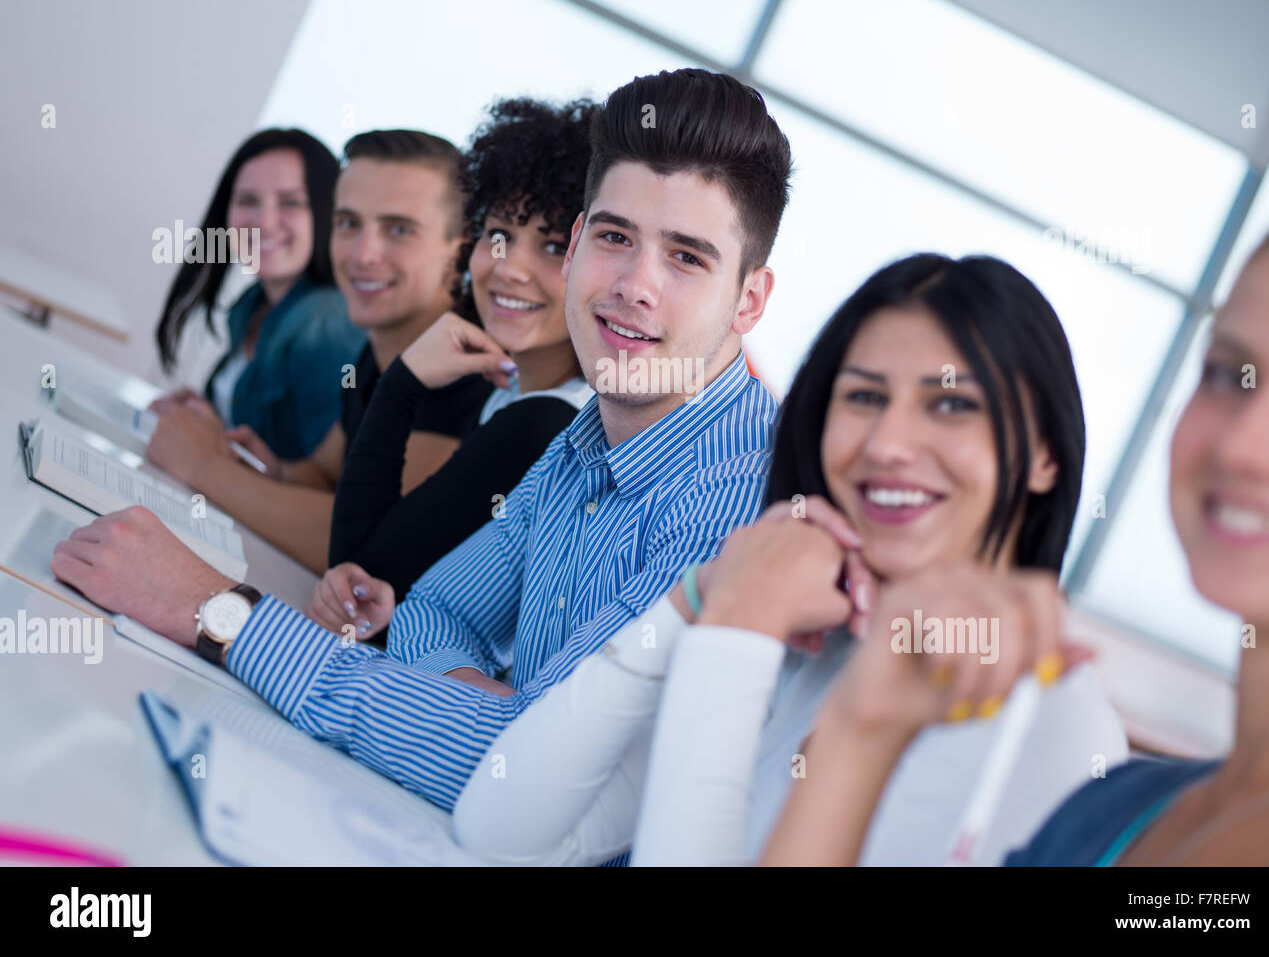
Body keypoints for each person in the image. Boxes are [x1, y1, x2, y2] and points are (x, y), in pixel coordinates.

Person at [49, 69, 791, 837]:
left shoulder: (738, 509)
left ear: (750, 299)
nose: (636, 283)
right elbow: (430, 613)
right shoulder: (587, 438)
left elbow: (532, 790)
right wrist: (489, 712)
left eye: (687, 258)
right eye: (615, 238)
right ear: (580, 247)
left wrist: (219, 611)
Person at [450, 254, 1127, 866]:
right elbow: (499, 829)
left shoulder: (1054, 722)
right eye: (863, 396)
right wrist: (697, 595)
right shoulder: (804, 635)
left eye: (951, 403)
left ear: (1044, 455)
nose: (888, 443)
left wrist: (739, 625)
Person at [760, 205, 1269, 867]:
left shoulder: (1065, 742)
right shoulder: (1115, 809)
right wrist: (860, 732)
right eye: (1227, 373)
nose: (1245, 445)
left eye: (952, 403)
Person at [146, 129, 482, 573]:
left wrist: (204, 466)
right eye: (348, 223)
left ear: (460, 252)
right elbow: (326, 477)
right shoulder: (380, 345)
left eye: (398, 229)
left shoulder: (465, 371)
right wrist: (260, 466)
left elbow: (370, 547)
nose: (362, 254)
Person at [320, 97, 598, 627]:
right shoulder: (511, 391)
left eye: (552, 246)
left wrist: (401, 384)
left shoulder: (545, 423)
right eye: (499, 236)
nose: (509, 268)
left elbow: (358, 576)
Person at [153, 128, 363, 461]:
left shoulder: (327, 325)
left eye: (291, 202)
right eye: (247, 201)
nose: (263, 222)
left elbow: (325, 492)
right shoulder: (254, 303)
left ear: (327, 212)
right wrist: (203, 419)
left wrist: (214, 452)